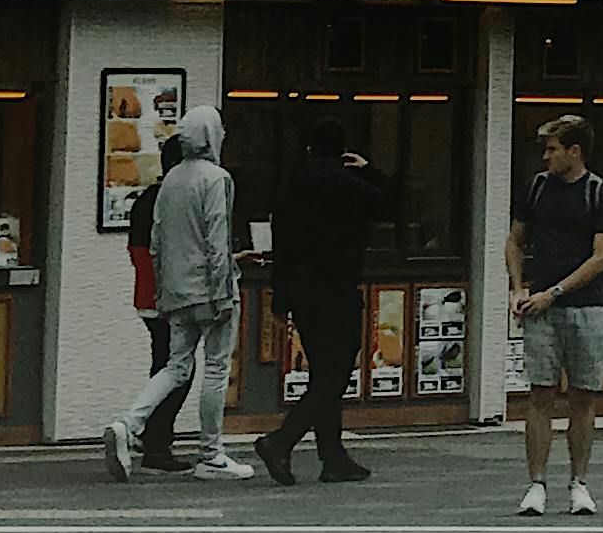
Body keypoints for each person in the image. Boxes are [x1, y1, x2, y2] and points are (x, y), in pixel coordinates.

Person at [104, 107, 254, 481]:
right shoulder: (216, 179)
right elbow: (217, 240)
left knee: (176, 365)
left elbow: (156, 240)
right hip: (211, 290)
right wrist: (222, 294)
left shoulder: (170, 181)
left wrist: (166, 287)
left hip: (175, 292)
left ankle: (128, 423)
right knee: (216, 369)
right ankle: (211, 453)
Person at [257, 120, 392, 487]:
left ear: (308, 149)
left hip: (300, 291)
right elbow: (390, 206)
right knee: (335, 374)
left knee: (322, 373)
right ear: (341, 150)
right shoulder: (346, 184)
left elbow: (281, 243)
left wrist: (280, 298)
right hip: (336, 287)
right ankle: (281, 440)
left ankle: (333, 457)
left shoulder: (291, 186)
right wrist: (371, 171)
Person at [507, 113, 603, 519]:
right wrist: (518, 287)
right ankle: (536, 483)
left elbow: (601, 257)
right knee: (539, 393)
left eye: (553, 149)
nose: (546, 156)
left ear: (575, 151)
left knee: (583, 396)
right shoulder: (536, 189)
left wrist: (552, 293)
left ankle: (579, 483)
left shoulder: (600, 194)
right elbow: (516, 240)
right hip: (540, 304)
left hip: (587, 306)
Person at [123, 160, 181, 470]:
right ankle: (156, 441)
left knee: (162, 363)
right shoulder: (172, 199)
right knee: (178, 369)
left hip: (146, 294)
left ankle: (153, 436)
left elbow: (135, 249)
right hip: (168, 295)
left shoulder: (145, 198)